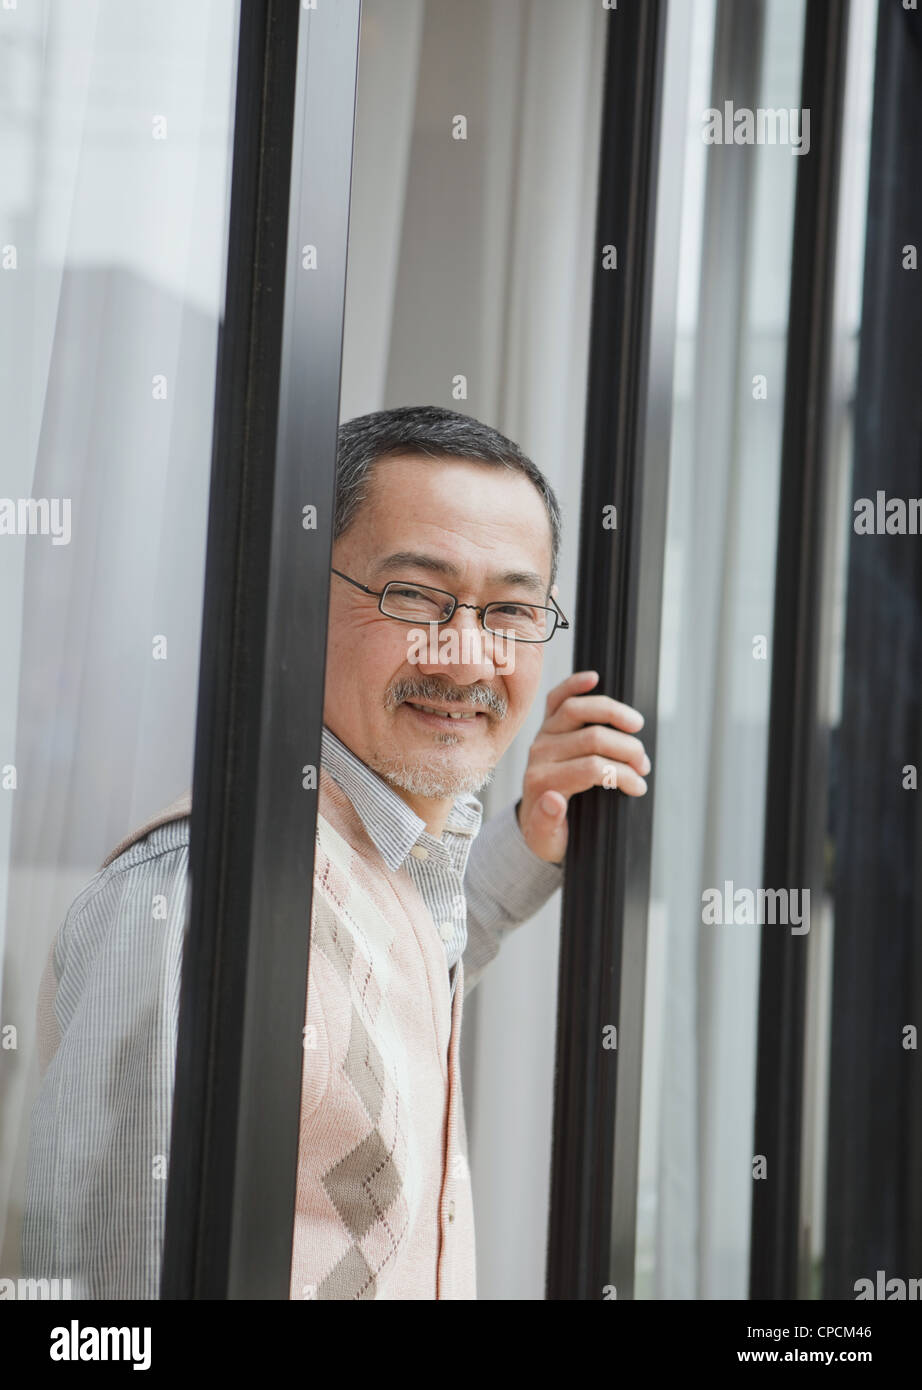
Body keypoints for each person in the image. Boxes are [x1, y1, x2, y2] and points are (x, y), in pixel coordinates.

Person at [23, 405, 650, 1300]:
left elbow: (374, 993)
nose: (467, 655)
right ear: (296, 599)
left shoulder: (376, 862)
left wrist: (532, 832)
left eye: (509, 610)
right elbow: (109, 1290)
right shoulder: (206, 894)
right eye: (416, 597)